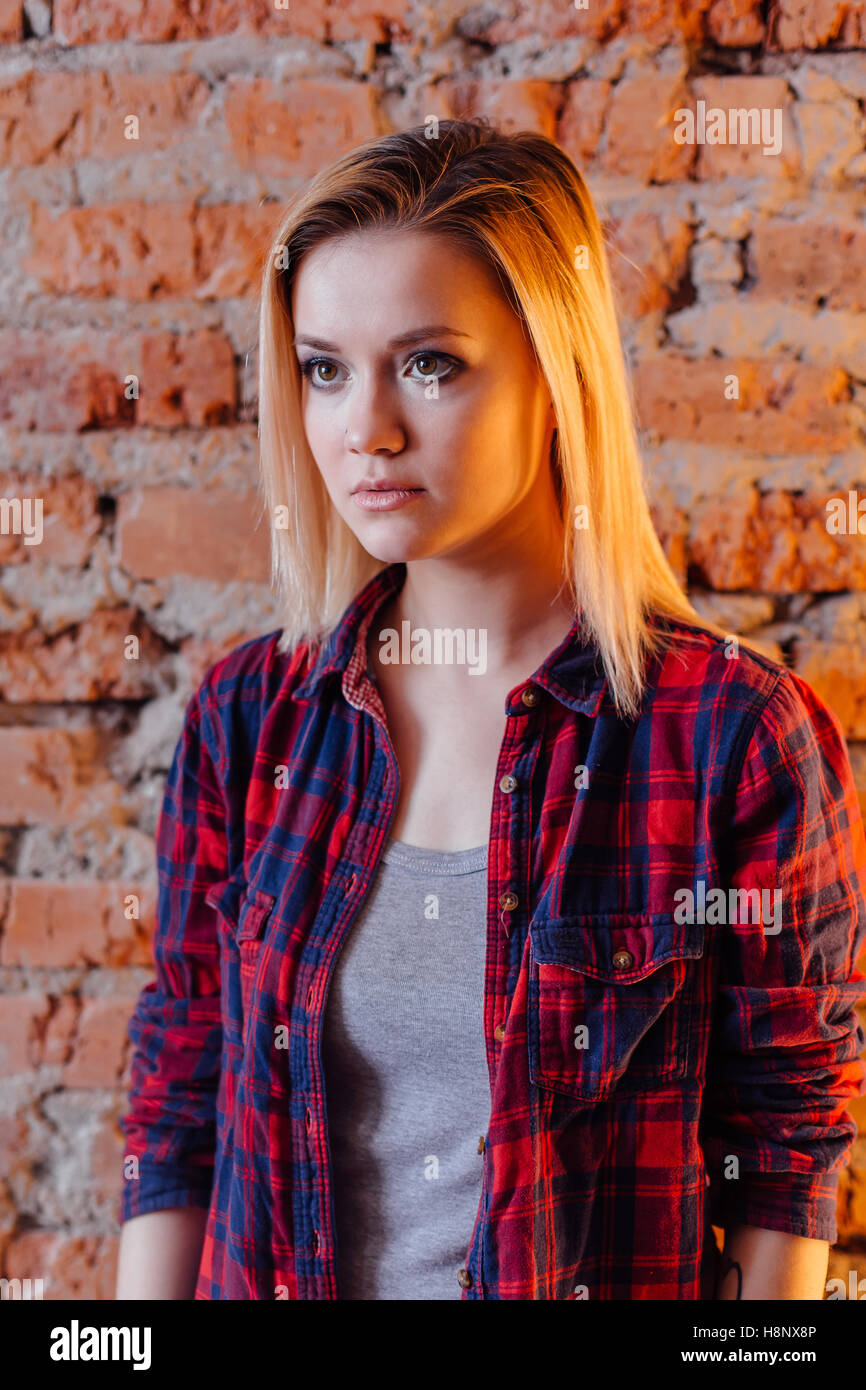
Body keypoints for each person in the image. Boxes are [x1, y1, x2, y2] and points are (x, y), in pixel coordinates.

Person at [115, 118, 866, 1300]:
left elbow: (785, 1155)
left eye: (429, 363)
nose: (365, 429)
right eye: (324, 368)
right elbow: (179, 1090)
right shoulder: (248, 718)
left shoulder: (731, 736)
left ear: (551, 376)